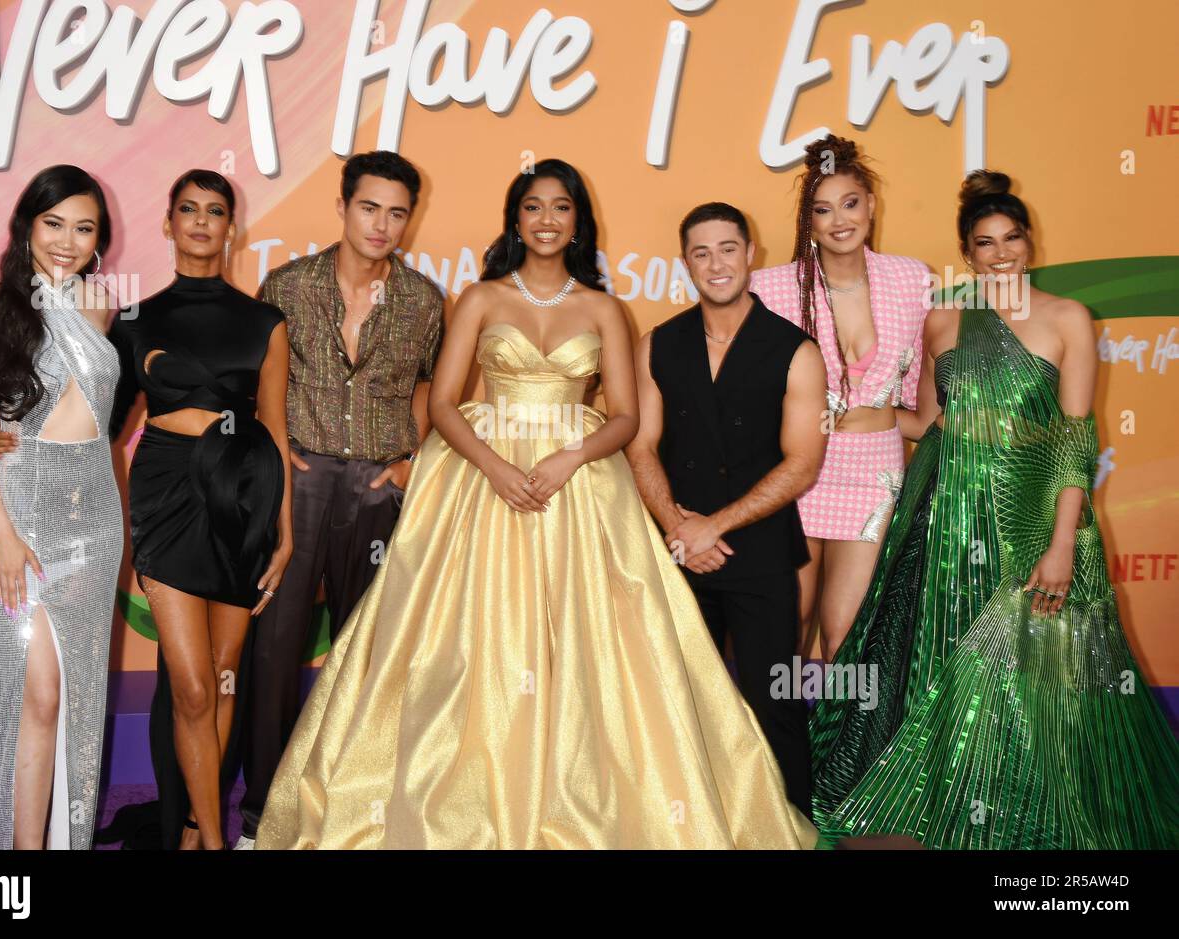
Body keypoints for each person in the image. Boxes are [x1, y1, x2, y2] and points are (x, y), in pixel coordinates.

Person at [254, 159, 815, 849]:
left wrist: (570, 456)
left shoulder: (606, 308)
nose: (547, 220)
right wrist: (491, 466)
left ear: (578, 220)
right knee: (468, 641)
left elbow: (624, 417)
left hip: (578, 486)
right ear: (515, 220)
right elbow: (446, 400)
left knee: (588, 642)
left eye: (560, 207)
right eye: (533, 207)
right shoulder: (481, 298)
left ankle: (579, 789)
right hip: (484, 481)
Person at [808, 171, 1179, 848]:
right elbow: (930, 419)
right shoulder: (944, 320)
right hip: (948, 514)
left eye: (1011, 238)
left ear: (1029, 243)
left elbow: (1075, 438)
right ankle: (944, 793)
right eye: (985, 242)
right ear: (968, 252)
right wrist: (853, 413)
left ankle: (1031, 806)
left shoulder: (1068, 318)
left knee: (1033, 667)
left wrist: (1063, 541)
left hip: (1033, 513)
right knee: (945, 658)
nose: (1001, 252)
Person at [235, 151, 445, 849]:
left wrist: (416, 458)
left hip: (381, 488)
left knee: (371, 651)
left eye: (396, 211)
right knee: (275, 647)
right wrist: (272, 451)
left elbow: (435, 391)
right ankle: (263, 808)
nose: (382, 224)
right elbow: (258, 382)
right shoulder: (286, 286)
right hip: (301, 482)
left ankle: (356, 803)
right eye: (369, 207)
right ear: (343, 206)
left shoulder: (423, 300)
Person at [0, 165, 122, 849]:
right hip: (19, 516)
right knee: (37, 691)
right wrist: (5, 537)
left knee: (74, 694)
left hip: (96, 519)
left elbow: (100, 415)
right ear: (26, 224)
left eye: (84, 228)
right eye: (54, 224)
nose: (68, 241)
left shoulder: (100, 303)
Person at [627, 202, 829, 818]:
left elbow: (801, 464)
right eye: (701, 252)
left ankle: (791, 824)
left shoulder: (796, 351)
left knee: (776, 702)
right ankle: (691, 825)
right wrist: (678, 526)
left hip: (762, 554)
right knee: (681, 699)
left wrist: (712, 525)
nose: (716, 263)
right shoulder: (657, 343)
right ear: (685, 261)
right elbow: (640, 445)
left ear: (751, 253)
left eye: (728, 249)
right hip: (676, 552)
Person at [112, 170, 291, 850]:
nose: (199, 221)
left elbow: (274, 429)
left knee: (222, 677)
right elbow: (102, 418)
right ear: (167, 222)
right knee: (190, 685)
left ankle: (195, 828)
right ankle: (215, 842)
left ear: (231, 228)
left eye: (214, 211)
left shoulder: (264, 322)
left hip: (243, 493)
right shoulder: (132, 320)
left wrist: (285, 531)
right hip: (165, 491)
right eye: (186, 209)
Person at [750, 135, 932, 661]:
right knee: (787, 624)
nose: (839, 221)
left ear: (871, 205)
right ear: (808, 223)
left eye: (850, 204)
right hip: (800, 467)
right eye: (823, 210)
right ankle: (774, 744)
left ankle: (835, 745)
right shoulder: (772, 287)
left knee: (845, 635)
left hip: (874, 471)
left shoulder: (910, 278)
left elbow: (920, 399)